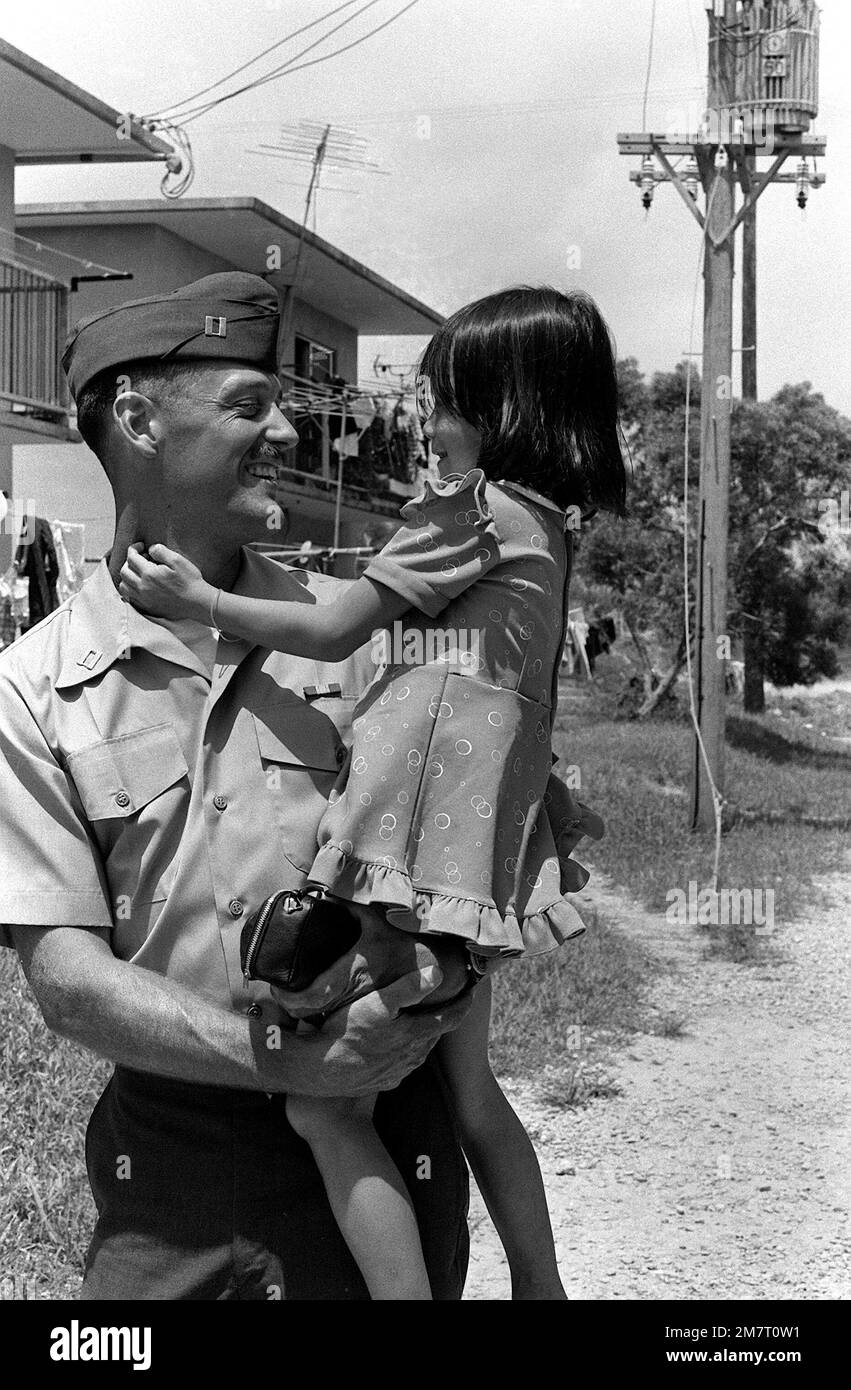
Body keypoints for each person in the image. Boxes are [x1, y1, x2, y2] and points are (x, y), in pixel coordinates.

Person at [118, 285, 626, 1300]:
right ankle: (540, 1286)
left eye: (442, 402)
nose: (427, 424)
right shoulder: (541, 526)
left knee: (324, 1109)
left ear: (504, 406)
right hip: (474, 861)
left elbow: (335, 625)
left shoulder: (474, 512)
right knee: (470, 1092)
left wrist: (198, 601)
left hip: (412, 848)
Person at [0, 272, 475, 1301]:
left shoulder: (362, 638)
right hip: (172, 1173)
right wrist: (280, 1059)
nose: (291, 432)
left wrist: (426, 985)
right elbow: (66, 978)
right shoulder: (33, 688)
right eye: (250, 404)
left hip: (383, 1132)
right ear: (137, 419)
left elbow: (467, 888)